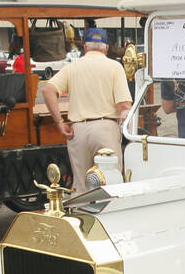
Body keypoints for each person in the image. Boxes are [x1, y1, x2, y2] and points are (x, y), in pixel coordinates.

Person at [41, 28, 132, 183]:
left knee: (81, 184)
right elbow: (123, 105)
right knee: (110, 182)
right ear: (107, 48)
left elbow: (48, 90)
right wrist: (129, 134)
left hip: (79, 131)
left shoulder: (72, 67)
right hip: (106, 129)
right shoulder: (114, 67)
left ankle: (81, 208)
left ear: (85, 47)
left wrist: (59, 122)